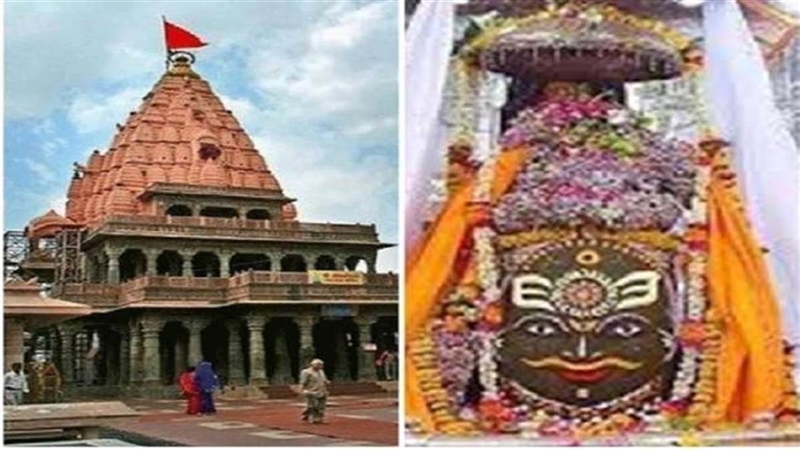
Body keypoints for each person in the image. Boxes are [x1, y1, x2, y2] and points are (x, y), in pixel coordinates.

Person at [299, 359, 329, 424]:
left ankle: (319, 418)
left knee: (321, 406)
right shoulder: (306, 372)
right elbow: (303, 382)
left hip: (322, 390)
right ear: (313, 365)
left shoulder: (321, 372)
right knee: (312, 406)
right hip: (311, 391)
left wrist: (326, 383)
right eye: (319, 365)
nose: (321, 366)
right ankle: (309, 416)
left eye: (321, 365)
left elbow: (324, 380)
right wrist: (301, 390)